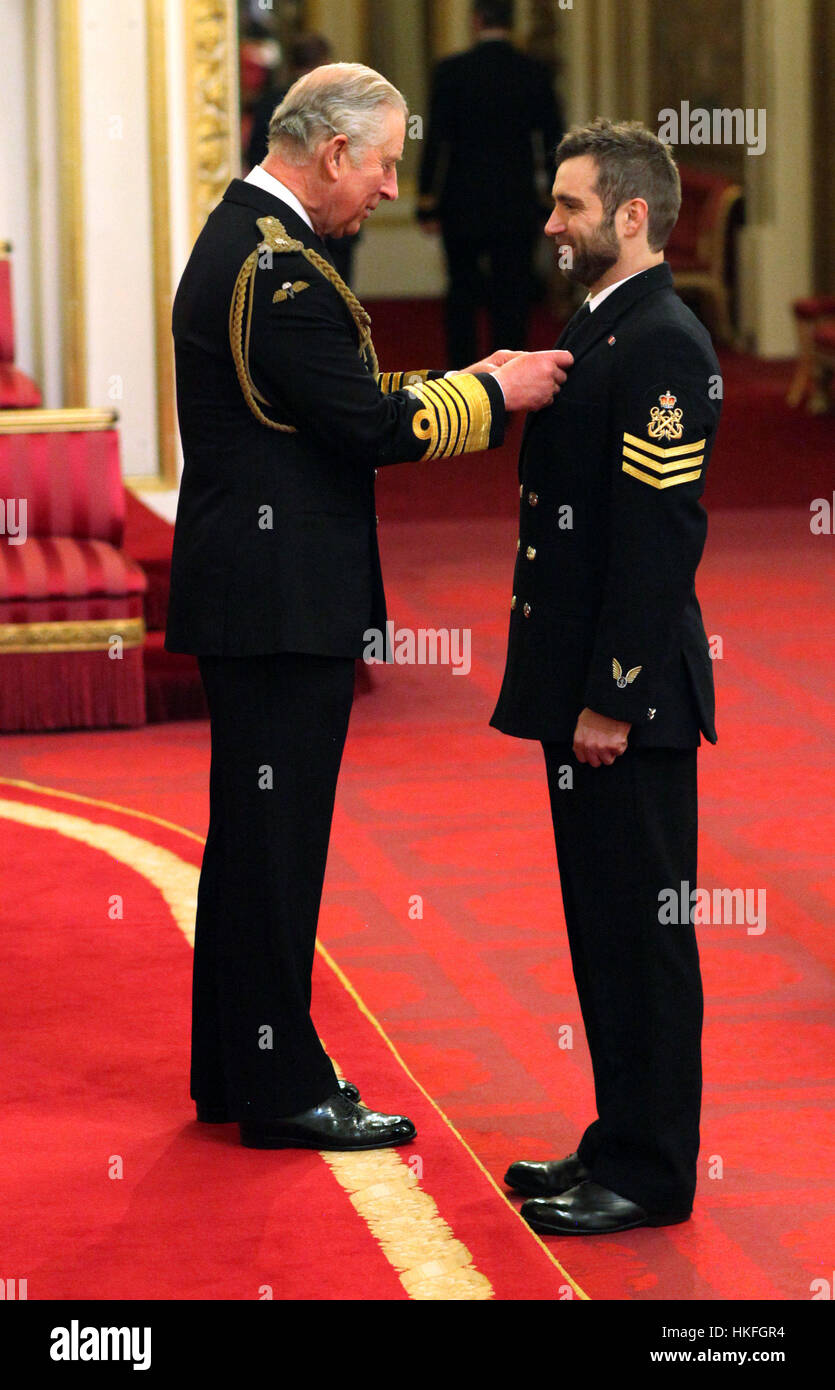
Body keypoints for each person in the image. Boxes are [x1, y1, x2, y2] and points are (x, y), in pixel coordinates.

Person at [166, 62, 571, 1153]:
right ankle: (280, 1084)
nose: (391, 188)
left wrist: (462, 372)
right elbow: (367, 426)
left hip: (262, 593)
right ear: (335, 152)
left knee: (257, 842)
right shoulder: (279, 269)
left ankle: (239, 1066)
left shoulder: (255, 245)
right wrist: (496, 392)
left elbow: (340, 401)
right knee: (275, 846)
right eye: (384, 165)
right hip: (278, 599)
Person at [491, 118, 723, 1233]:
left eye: (569, 204)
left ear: (631, 217)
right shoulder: (601, 324)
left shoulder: (665, 340)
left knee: (642, 935)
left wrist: (611, 697)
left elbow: (657, 538)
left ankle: (650, 1170)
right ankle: (613, 1140)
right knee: (602, 929)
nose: (550, 221)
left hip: (624, 703)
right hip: (580, 688)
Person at [417, 0, 563, 368]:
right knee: (512, 294)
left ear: (476, 21)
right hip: (516, 200)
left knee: (462, 292)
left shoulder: (451, 72)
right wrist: (556, 197)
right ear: (511, 24)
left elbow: (436, 140)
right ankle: (510, 377)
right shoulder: (534, 72)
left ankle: (462, 376)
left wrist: (427, 200)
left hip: (460, 199)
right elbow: (553, 142)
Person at [245, 34, 360, 285]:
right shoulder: (345, 106)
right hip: (336, 217)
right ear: (328, 62)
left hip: (283, 219)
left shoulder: (270, 103)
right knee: (339, 297)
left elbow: (256, 160)